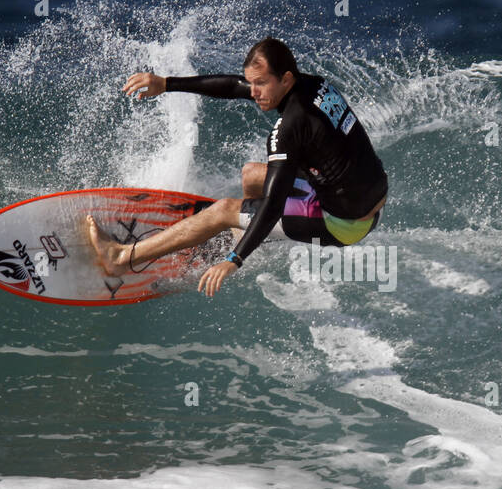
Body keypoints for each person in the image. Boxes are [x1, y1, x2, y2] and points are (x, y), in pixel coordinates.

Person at [84, 37, 389, 297]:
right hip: (365, 194)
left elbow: (272, 204)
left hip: (345, 222)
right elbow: (233, 86)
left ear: (285, 79)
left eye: (261, 84)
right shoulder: (313, 86)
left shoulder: (288, 129)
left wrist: (235, 259)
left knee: (223, 210)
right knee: (251, 174)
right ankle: (251, 233)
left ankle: (122, 257)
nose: (254, 92)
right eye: (252, 83)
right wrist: (165, 84)